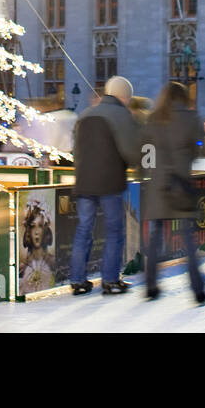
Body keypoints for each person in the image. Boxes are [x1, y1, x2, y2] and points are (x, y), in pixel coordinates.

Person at [69, 75, 141, 295]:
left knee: (83, 230)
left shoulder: (84, 115)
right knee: (114, 231)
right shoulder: (122, 115)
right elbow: (131, 150)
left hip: (83, 182)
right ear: (124, 96)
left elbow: (75, 149)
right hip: (109, 182)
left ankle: (77, 281)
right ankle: (110, 280)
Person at [142, 82, 205, 304]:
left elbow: (145, 152)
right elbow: (198, 148)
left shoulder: (153, 119)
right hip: (181, 183)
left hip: (159, 185)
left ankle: (151, 285)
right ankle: (197, 288)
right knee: (189, 240)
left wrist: (151, 170)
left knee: (155, 238)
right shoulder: (192, 119)